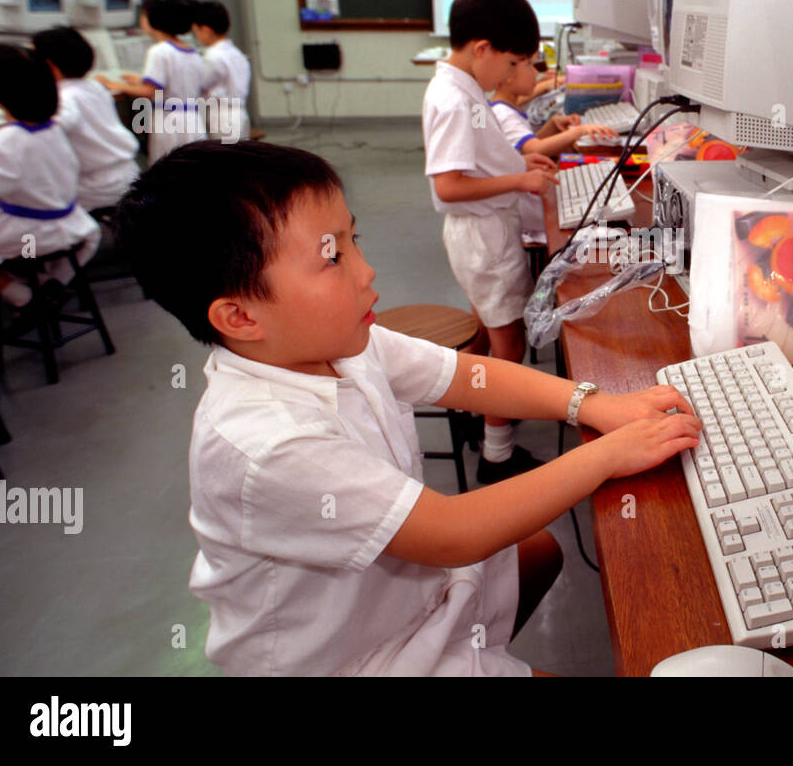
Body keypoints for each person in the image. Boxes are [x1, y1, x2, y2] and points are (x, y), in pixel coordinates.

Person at [114, 139, 699, 676]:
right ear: (240, 317)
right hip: (348, 660)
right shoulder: (267, 442)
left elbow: (465, 377)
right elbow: (451, 535)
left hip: (397, 598)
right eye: (332, 258)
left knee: (540, 550)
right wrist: (608, 456)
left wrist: (590, 404)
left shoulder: (335, 343)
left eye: (352, 239)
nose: (367, 270)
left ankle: (476, 652)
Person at [422, 0, 560, 483]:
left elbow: (475, 162)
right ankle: (497, 456)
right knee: (509, 347)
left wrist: (517, 160)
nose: (511, 76)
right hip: (483, 237)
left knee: (489, 332)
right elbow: (450, 185)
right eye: (512, 63)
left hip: (482, 234)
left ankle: (477, 413)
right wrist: (522, 179)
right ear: (482, 49)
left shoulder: (463, 89)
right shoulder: (455, 100)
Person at [0, 44, 101, 308]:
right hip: (69, 223)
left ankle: (23, 297)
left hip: (32, 236)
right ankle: (43, 288)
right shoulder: (48, 128)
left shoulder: (6, 142)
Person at [490, 52, 619, 243]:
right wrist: (579, 131)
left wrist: (552, 125)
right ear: (508, 75)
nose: (536, 73)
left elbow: (524, 147)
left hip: (527, 204)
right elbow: (535, 149)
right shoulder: (505, 114)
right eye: (530, 65)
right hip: (531, 211)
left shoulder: (504, 108)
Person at [31, 26, 141, 211]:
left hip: (97, 187)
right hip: (128, 173)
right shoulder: (95, 88)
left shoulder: (64, 99)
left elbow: (49, 131)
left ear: (50, 66)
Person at [98, 0, 206, 165]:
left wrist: (115, 85)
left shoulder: (159, 51)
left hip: (169, 122)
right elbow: (177, 81)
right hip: (192, 119)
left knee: (168, 172)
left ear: (154, 19)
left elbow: (150, 91)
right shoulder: (191, 51)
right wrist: (141, 80)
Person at [192, 0, 251, 143]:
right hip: (240, 113)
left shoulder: (213, 57)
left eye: (196, 32)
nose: (196, 37)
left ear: (206, 30)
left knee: (225, 160)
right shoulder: (236, 53)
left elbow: (200, 84)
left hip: (223, 117)